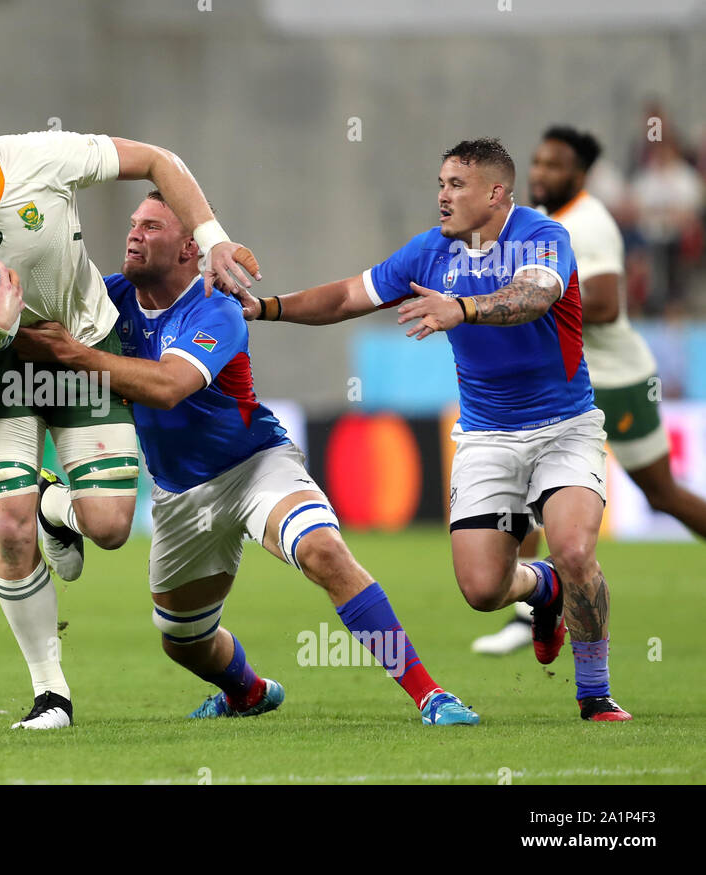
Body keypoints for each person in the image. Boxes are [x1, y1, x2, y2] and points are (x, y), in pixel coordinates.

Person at [0, 78, 260, 729]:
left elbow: (159, 161)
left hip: (82, 343)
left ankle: (55, 506)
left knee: (109, 527)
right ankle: (51, 691)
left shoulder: (40, 158)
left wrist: (214, 235)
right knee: (6, 526)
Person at [13, 192, 478, 725]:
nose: (133, 235)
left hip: (254, 466)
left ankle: (431, 694)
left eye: (152, 227)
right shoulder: (106, 300)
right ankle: (247, 692)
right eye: (133, 224)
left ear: (191, 247)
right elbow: (29, 327)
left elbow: (169, 387)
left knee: (324, 552)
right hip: (178, 493)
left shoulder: (217, 308)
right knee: (183, 641)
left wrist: (74, 355)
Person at [231, 138, 630, 721]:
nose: (442, 196)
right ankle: (542, 590)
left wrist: (461, 309)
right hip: (486, 437)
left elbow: (536, 295)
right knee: (482, 591)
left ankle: (594, 692)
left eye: (456, 185)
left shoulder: (544, 237)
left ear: (496, 193)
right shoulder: (429, 251)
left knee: (573, 549)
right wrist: (265, 307)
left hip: (564, 426)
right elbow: (347, 295)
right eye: (440, 184)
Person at [473, 126, 706, 655]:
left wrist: (530, 301)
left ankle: (537, 605)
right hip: (572, 380)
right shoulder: (543, 222)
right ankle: (529, 610)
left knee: (660, 493)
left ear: (579, 176)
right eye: (536, 162)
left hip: (614, 381)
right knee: (531, 491)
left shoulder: (587, 222)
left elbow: (603, 304)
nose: (539, 173)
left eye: (554, 165)